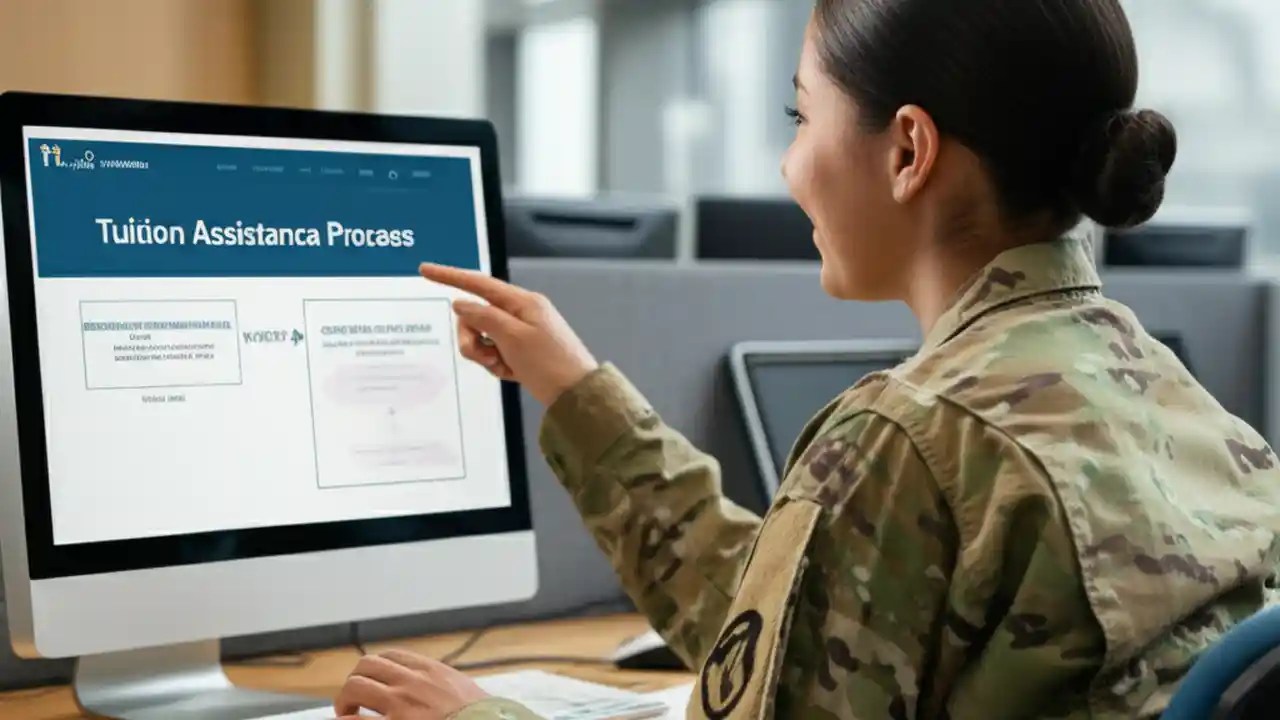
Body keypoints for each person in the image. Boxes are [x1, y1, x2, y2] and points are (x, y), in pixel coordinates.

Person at [333, 0, 1280, 718]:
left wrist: (481, 713)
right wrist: (574, 391)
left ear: (907, 150)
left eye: (801, 118)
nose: (790, 168)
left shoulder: (909, 439)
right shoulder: (1186, 409)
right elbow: (811, 632)